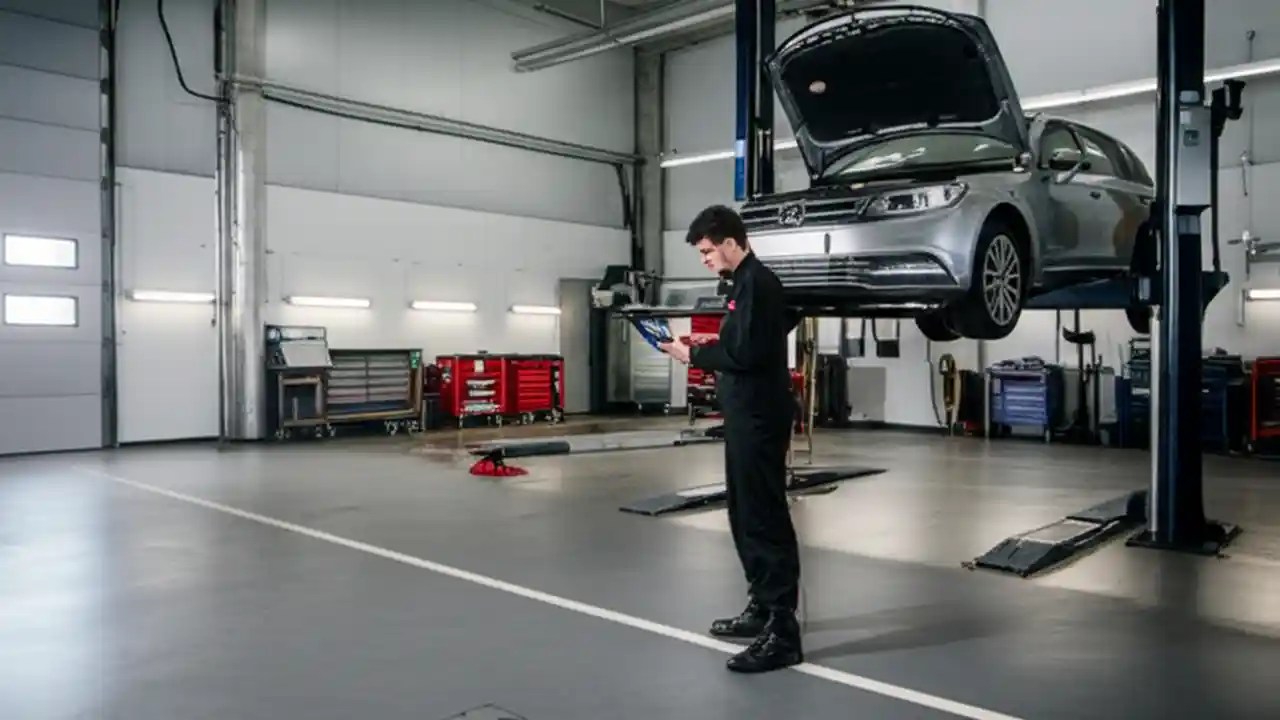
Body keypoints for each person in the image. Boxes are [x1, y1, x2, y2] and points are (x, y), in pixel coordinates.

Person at [659, 204, 803, 674]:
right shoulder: (742, 284)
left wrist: (693, 356)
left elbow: (744, 351)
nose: (704, 259)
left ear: (730, 242)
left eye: (706, 251)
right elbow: (750, 341)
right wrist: (704, 350)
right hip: (746, 415)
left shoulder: (757, 282)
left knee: (763, 516)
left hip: (760, 416)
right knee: (744, 513)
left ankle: (783, 631)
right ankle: (762, 607)